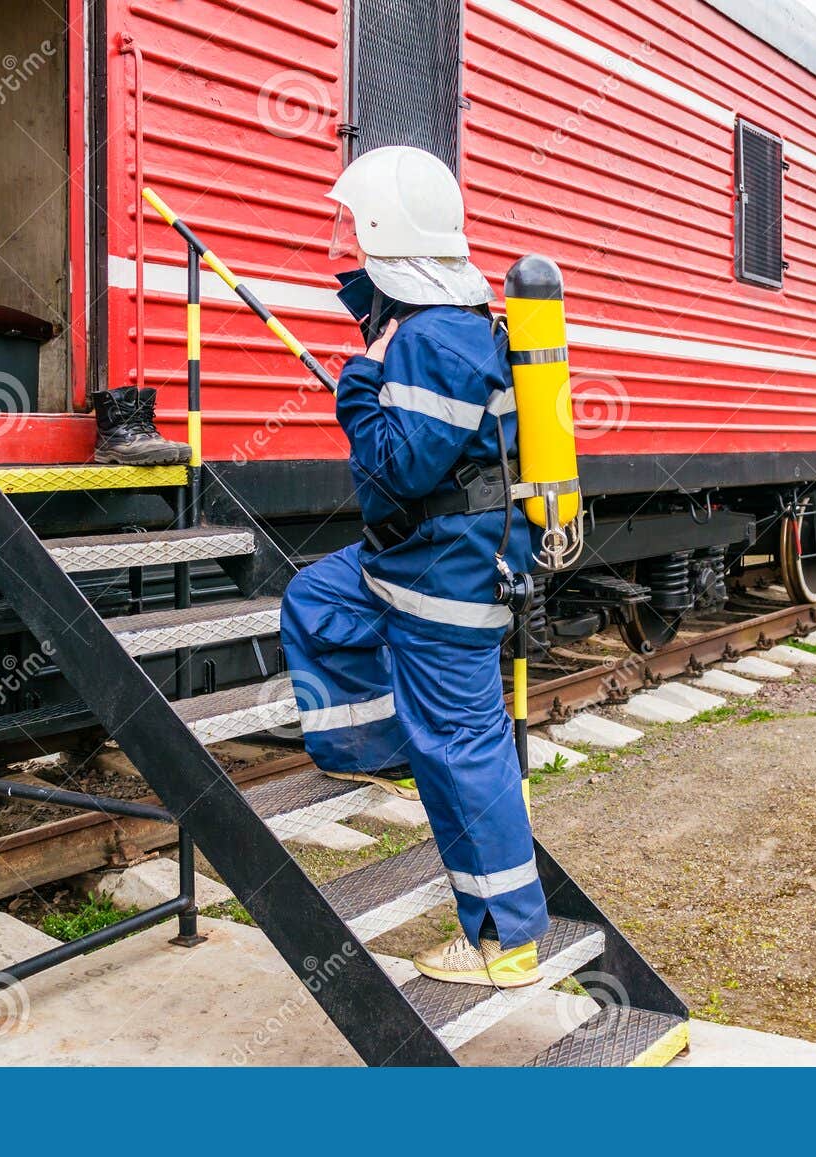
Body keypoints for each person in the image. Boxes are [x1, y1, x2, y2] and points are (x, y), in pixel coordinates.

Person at [278, 146, 549, 988]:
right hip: (410, 562)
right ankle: (387, 749)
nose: (338, 245)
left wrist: (357, 378)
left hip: (444, 586)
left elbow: (398, 466)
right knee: (314, 598)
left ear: (386, 239)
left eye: (349, 228)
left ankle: (505, 939)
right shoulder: (444, 328)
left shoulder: (433, 340)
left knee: (468, 751)